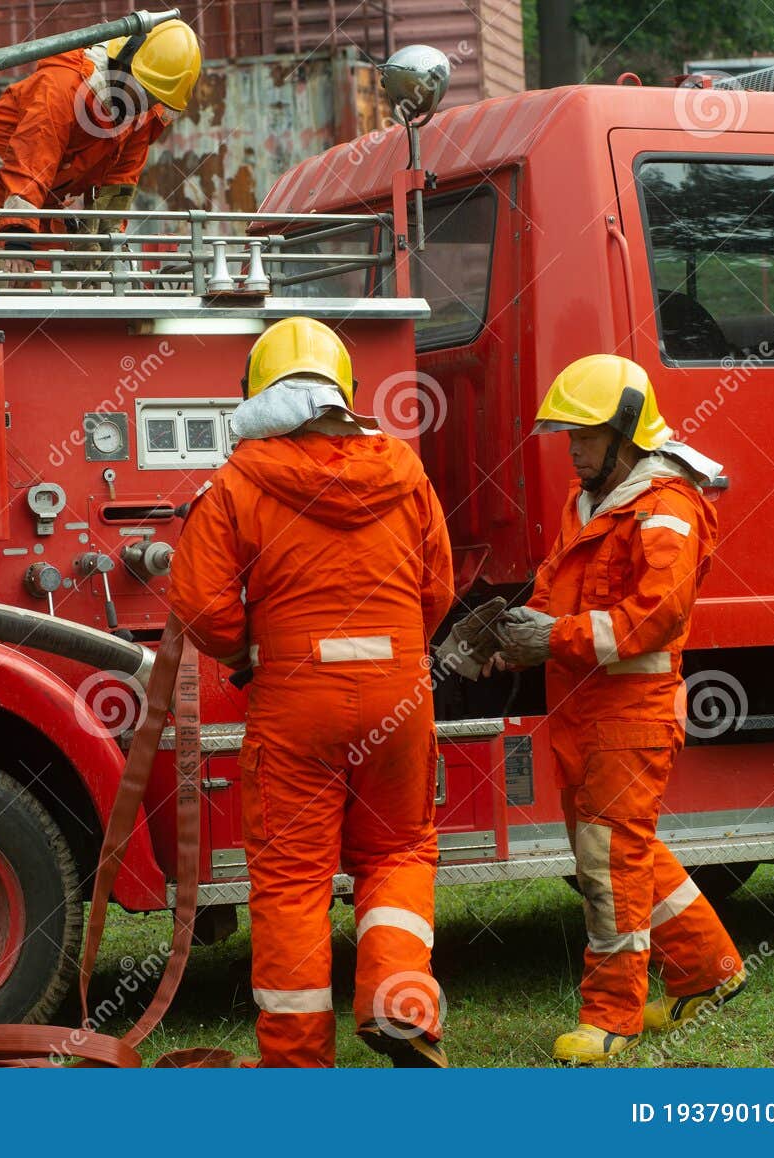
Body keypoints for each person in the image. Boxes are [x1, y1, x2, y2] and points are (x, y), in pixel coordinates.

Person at [168, 317, 455, 1068]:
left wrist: (246, 652)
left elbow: (202, 607)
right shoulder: (404, 471)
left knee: (293, 878)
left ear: (258, 394)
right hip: (398, 692)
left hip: (296, 701)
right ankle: (401, 1000)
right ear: (345, 393)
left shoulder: (236, 483)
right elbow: (438, 590)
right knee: (397, 850)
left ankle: (298, 1067)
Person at [482, 353, 745, 1065]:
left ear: (626, 434)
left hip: (628, 715)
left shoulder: (667, 507)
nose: (573, 451)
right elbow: (557, 586)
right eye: (569, 436)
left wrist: (554, 638)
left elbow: (655, 616)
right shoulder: (593, 498)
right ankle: (713, 973)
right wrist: (517, 634)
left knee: (607, 865)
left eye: (585, 436)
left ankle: (612, 1018)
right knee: (627, 852)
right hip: (584, 713)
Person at [0, 19, 201, 275]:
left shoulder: (140, 113)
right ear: (123, 66)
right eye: (145, 93)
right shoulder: (61, 87)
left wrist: (109, 246)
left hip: (40, 198)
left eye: (155, 99)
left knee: (49, 289)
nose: (147, 105)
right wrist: (19, 238)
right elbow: (32, 160)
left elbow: (118, 183)